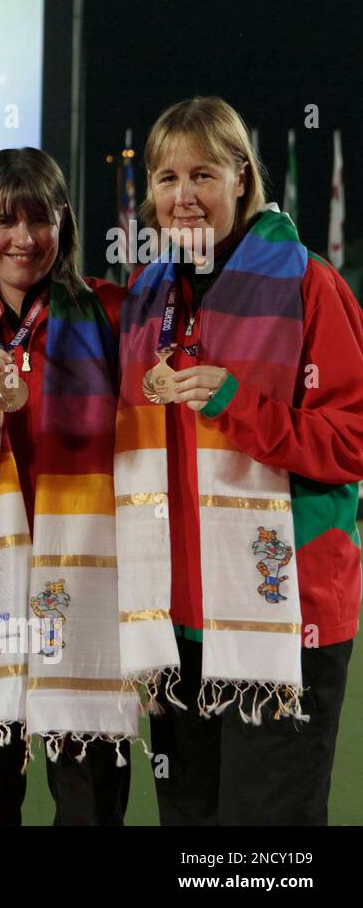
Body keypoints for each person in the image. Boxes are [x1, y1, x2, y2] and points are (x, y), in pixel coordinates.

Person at [116, 96, 363, 825]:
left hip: (286, 620)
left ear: (242, 177)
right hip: (177, 623)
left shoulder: (310, 285)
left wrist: (237, 404)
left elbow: (351, 442)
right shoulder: (147, 295)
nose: (182, 196)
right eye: (166, 177)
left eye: (202, 174)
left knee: (265, 845)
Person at [0, 148, 136, 826]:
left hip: (87, 593)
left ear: (63, 222)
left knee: (90, 804)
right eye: (5, 219)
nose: (24, 239)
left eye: (40, 219)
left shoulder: (108, 310)